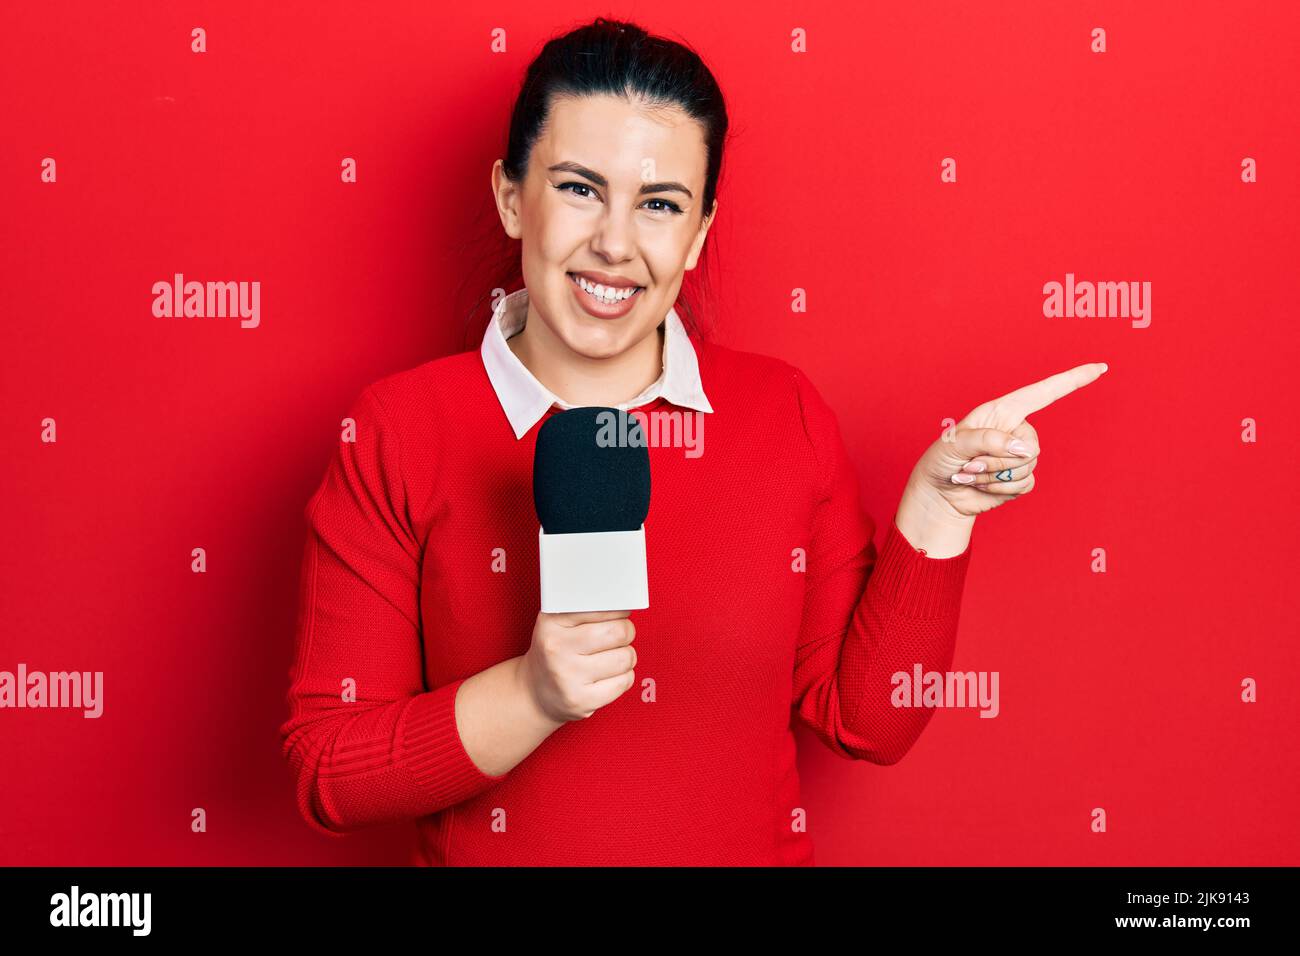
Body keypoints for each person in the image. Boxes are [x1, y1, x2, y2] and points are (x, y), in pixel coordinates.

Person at [278, 16, 1106, 866]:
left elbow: (870, 721)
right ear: (509, 197)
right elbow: (328, 769)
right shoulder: (398, 430)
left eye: (660, 205)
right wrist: (530, 693)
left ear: (700, 232)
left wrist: (939, 510)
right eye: (577, 188)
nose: (614, 242)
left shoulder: (781, 413)